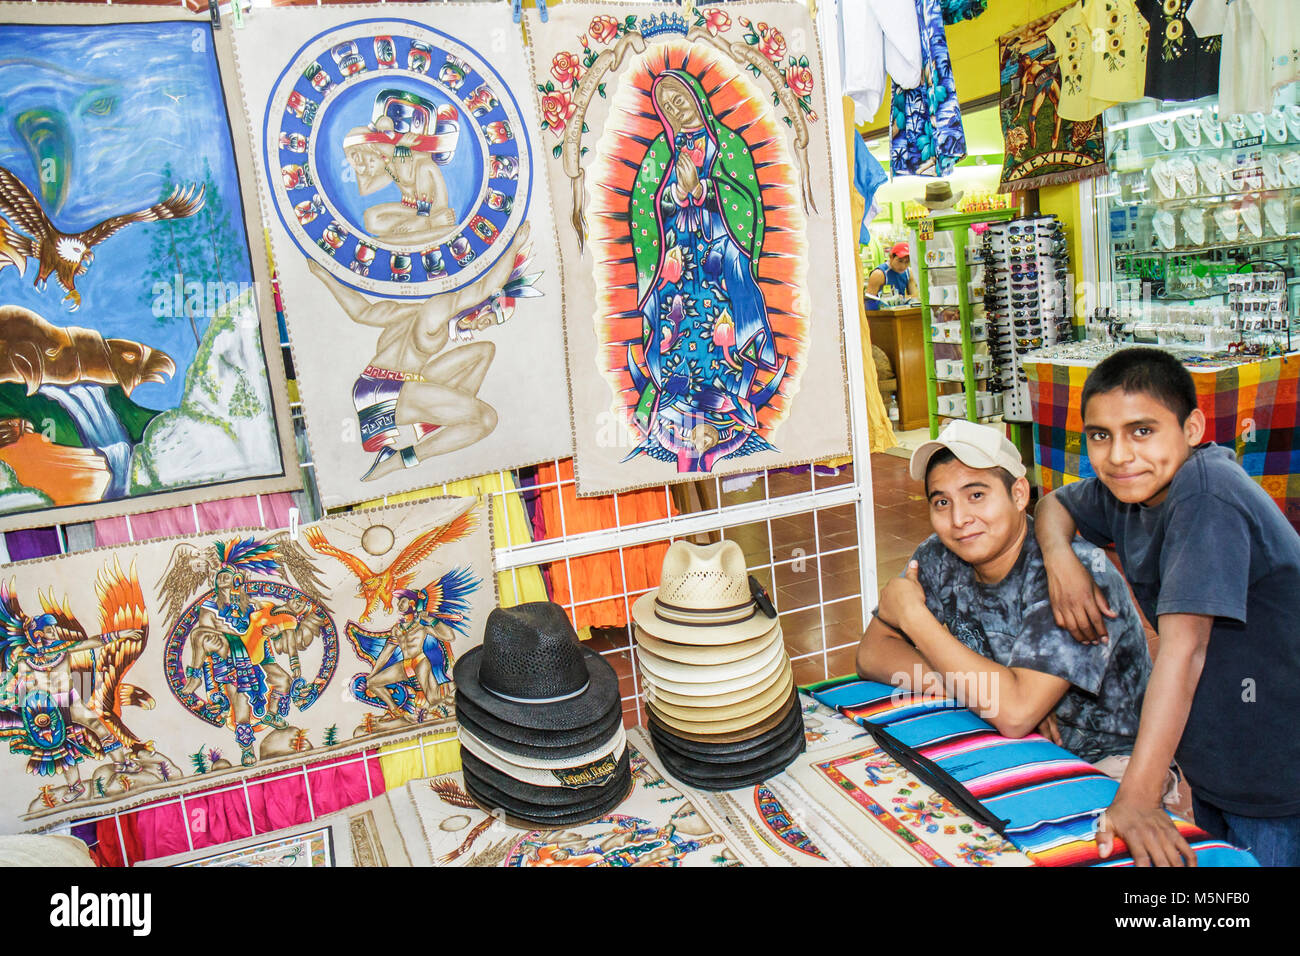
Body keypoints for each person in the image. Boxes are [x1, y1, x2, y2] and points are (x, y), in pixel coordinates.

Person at [1035, 347, 1300, 867]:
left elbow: (1184, 650)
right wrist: (1060, 559)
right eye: (1100, 435)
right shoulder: (1131, 490)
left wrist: (1137, 796)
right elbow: (1053, 505)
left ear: (1192, 428)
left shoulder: (1206, 493)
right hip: (1220, 748)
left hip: (1276, 761)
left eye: (1142, 431)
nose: (1119, 455)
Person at [856, 419, 1155, 771]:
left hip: (1106, 762)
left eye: (976, 495)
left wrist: (914, 617)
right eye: (942, 502)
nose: (959, 519)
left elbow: (1013, 715)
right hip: (1001, 736)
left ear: (1018, 494)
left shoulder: (1071, 575)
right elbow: (871, 654)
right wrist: (984, 693)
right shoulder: (938, 555)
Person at [626, 69, 786, 472]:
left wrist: (703, 190)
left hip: (720, 261)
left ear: (696, 97)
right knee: (677, 332)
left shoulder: (729, 145)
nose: (675, 109)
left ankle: (723, 412)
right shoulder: (660, 153)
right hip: (677, 263)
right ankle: (675, 414)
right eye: (667, 105)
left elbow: (749, 207)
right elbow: (644, 209)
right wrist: (676, 193)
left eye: (680, 98)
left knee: (720, 334)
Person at [864, 242, 918, 311]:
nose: (903, 266)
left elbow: (914, 297)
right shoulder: (879, 274)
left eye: (907, 262)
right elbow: (869, 302)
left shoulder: (909, 273)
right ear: (891, 257)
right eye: (900, 261)